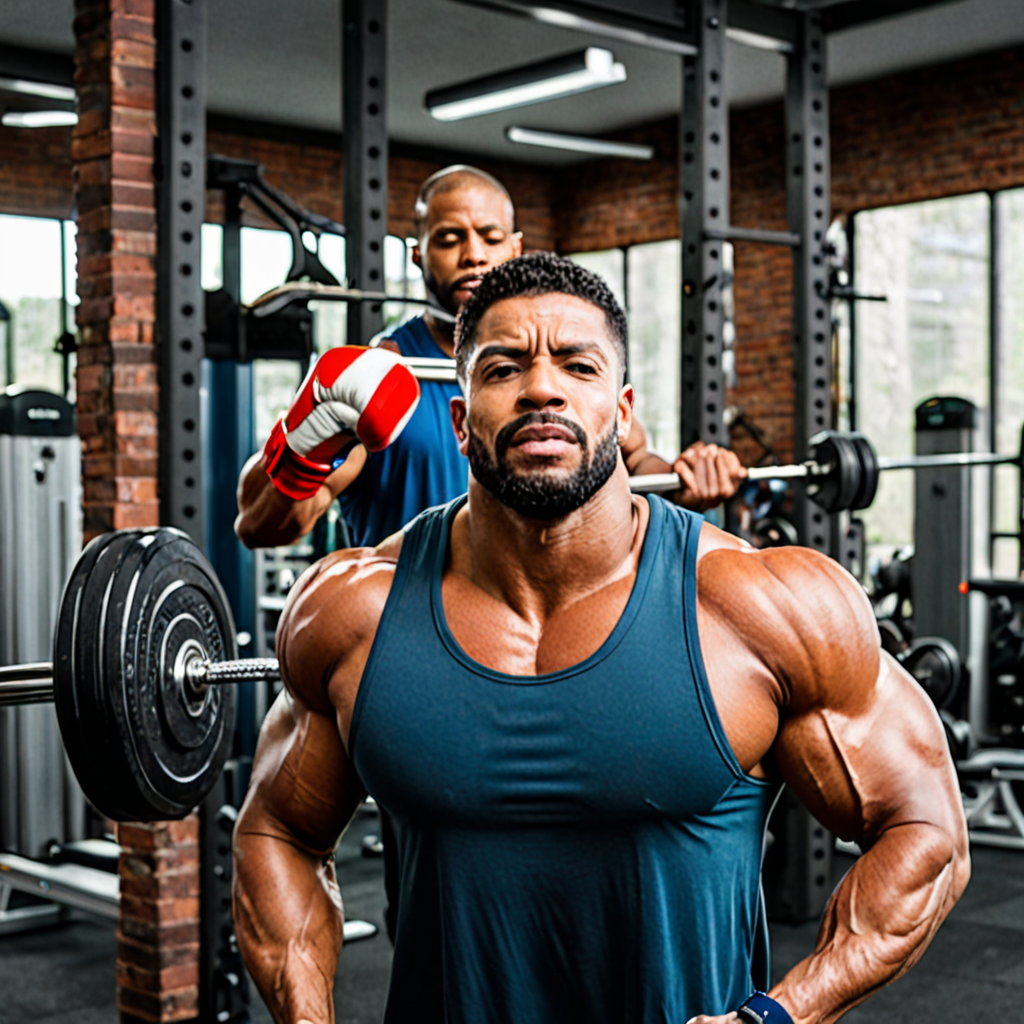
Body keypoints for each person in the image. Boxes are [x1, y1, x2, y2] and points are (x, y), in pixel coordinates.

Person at [233, 253, 969, 1024]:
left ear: (621, 412)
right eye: (503, 368)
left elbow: (927, 831)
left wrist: (781, 1015)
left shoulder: (759, 606)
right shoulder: (355, 613)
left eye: (577, 366)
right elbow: (276, 830)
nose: (542, 387)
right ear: (458, 420)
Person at [235, 164, 744, 555]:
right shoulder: (384, 373)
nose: (473, 254)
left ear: (516, 246)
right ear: (418, 254)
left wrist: (683, 480)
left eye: (490, 237)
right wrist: (306, 434)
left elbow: (635, 461)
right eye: (450, 239)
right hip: (409, 639)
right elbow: (262, 525)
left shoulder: (558, 372)